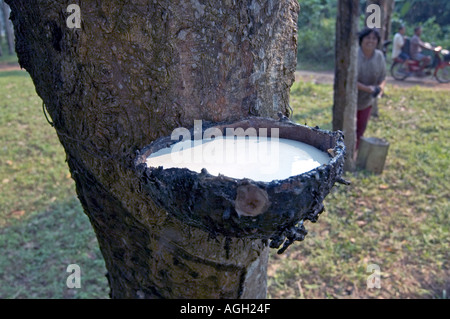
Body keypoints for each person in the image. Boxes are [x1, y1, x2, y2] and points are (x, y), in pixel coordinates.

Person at [356, 28, 387, 150]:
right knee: (347, 129)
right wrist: (366, 88)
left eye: (374, 38)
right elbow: (349, 79)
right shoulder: (354, 54)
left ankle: (355, 154)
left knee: (361, 129)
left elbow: (383, 77)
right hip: (351, 100)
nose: (371, 41)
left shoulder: (379, 56)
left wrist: (380, 88)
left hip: (367, 101)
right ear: (362, 40)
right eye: (368, 38)